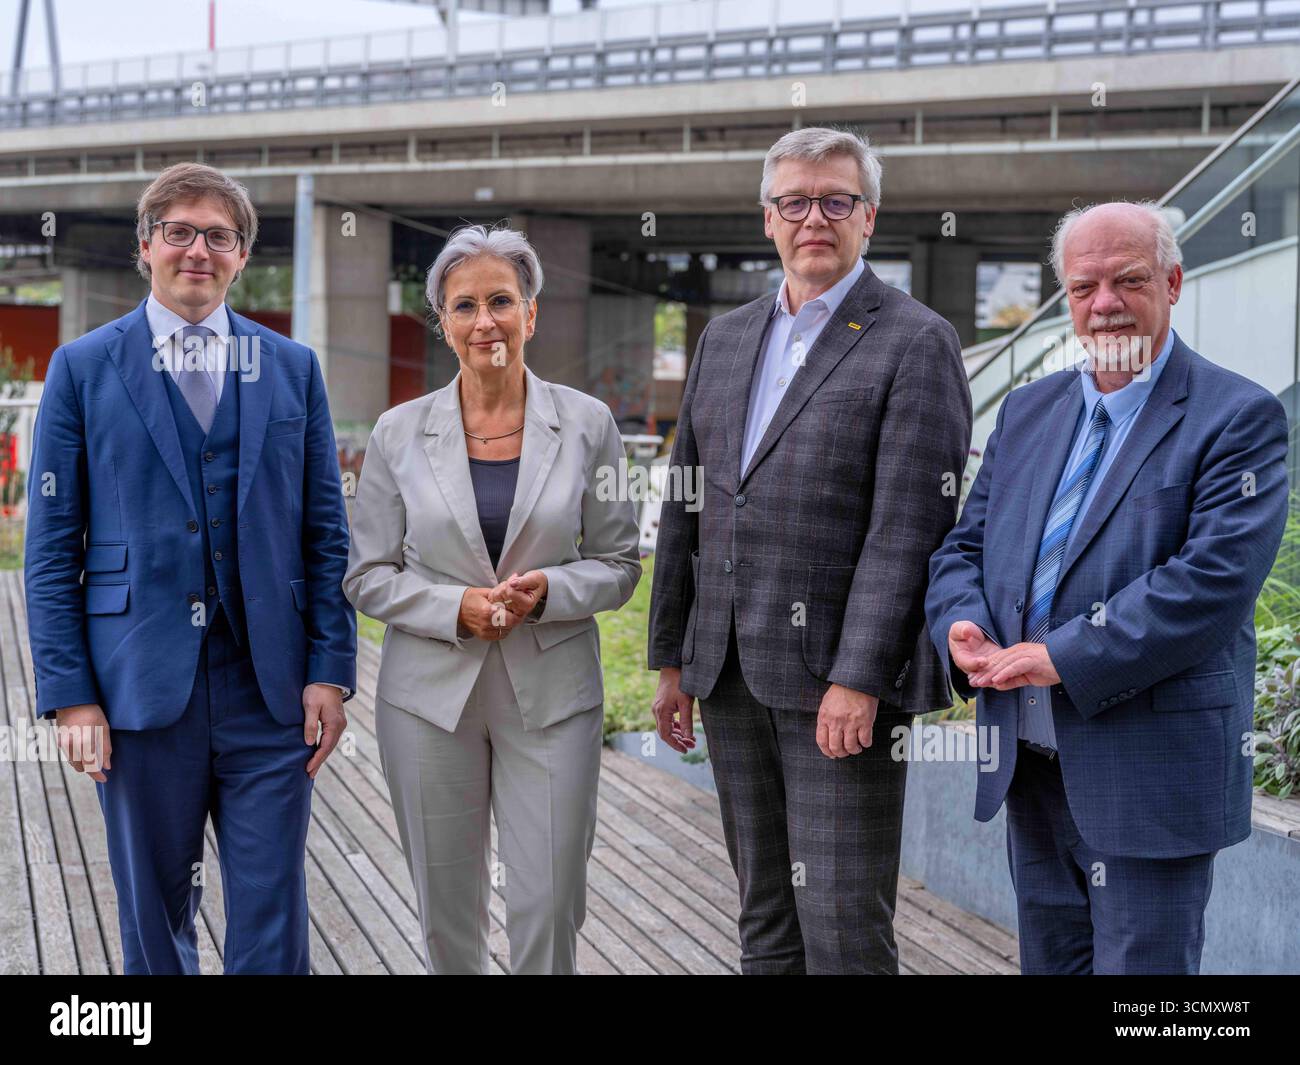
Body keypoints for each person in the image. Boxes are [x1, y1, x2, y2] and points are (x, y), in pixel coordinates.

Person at [926, 200, 1289, 975]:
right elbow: (965, 545)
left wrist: (1061, 654)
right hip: (1030, 761)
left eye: (1128, 279)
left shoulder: (1238, 416)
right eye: (1084, 285)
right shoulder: (1027, 412)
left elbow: (1210, 583)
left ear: (1174, 281)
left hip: (1148, 772)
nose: (1105, 303)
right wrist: (961, 623)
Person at [646, 127, 972, 974]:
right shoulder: (725, 339)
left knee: (842, 925)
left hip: (837, 685)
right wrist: (672, 659)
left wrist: (859, 677)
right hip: (725, 670)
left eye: (835, 201)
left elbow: (910, 527)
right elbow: (687, 504)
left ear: (869, 216)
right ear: (768, 218)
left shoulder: (915, 340)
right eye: (795, 201)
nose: (814, 218)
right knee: (765, 919)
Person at [25, 162, 356, 974]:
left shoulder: (292, 369)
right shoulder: (82, 367)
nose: (197, 249)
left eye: (218, 235)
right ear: (147, 246)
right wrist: (71, 696)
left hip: (269, 690)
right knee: (152, 918)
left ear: (242, 256)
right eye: (179, 231)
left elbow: (325, 535)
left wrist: (330, 670)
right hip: (139, 687)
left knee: (271, 915)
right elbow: (50, 547)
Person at [343, 223, 641, 975]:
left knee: (547, 900)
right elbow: (366, 573)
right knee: (447, 910)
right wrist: (454, 608)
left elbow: (619, 561)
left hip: (554, 695)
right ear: (443, 323)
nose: (486, 321)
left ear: (530, 314)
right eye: (465, 305)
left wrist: (549, 593)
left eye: (502, 300)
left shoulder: (588, 424)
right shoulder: (397, 432)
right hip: (427, 701)